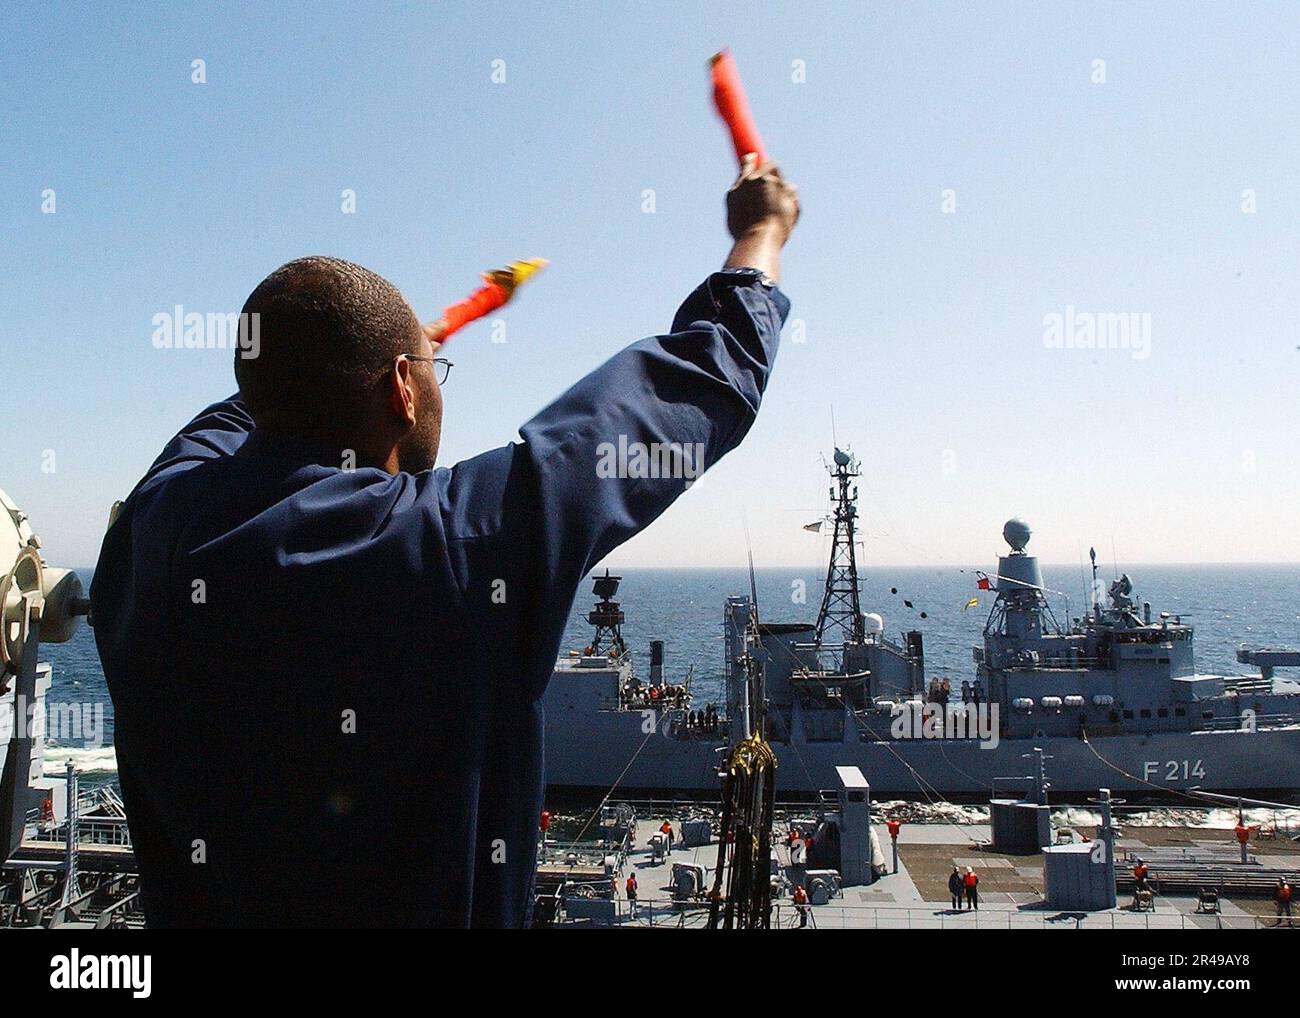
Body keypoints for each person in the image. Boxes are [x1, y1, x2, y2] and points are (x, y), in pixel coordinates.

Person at [90, 160, 799, 928]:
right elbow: (684, 389)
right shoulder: (452, 547)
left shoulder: (149, 530)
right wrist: (759, 236)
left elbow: (254, 409)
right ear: (403, 389)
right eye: (435, 375)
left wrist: (373, 355)